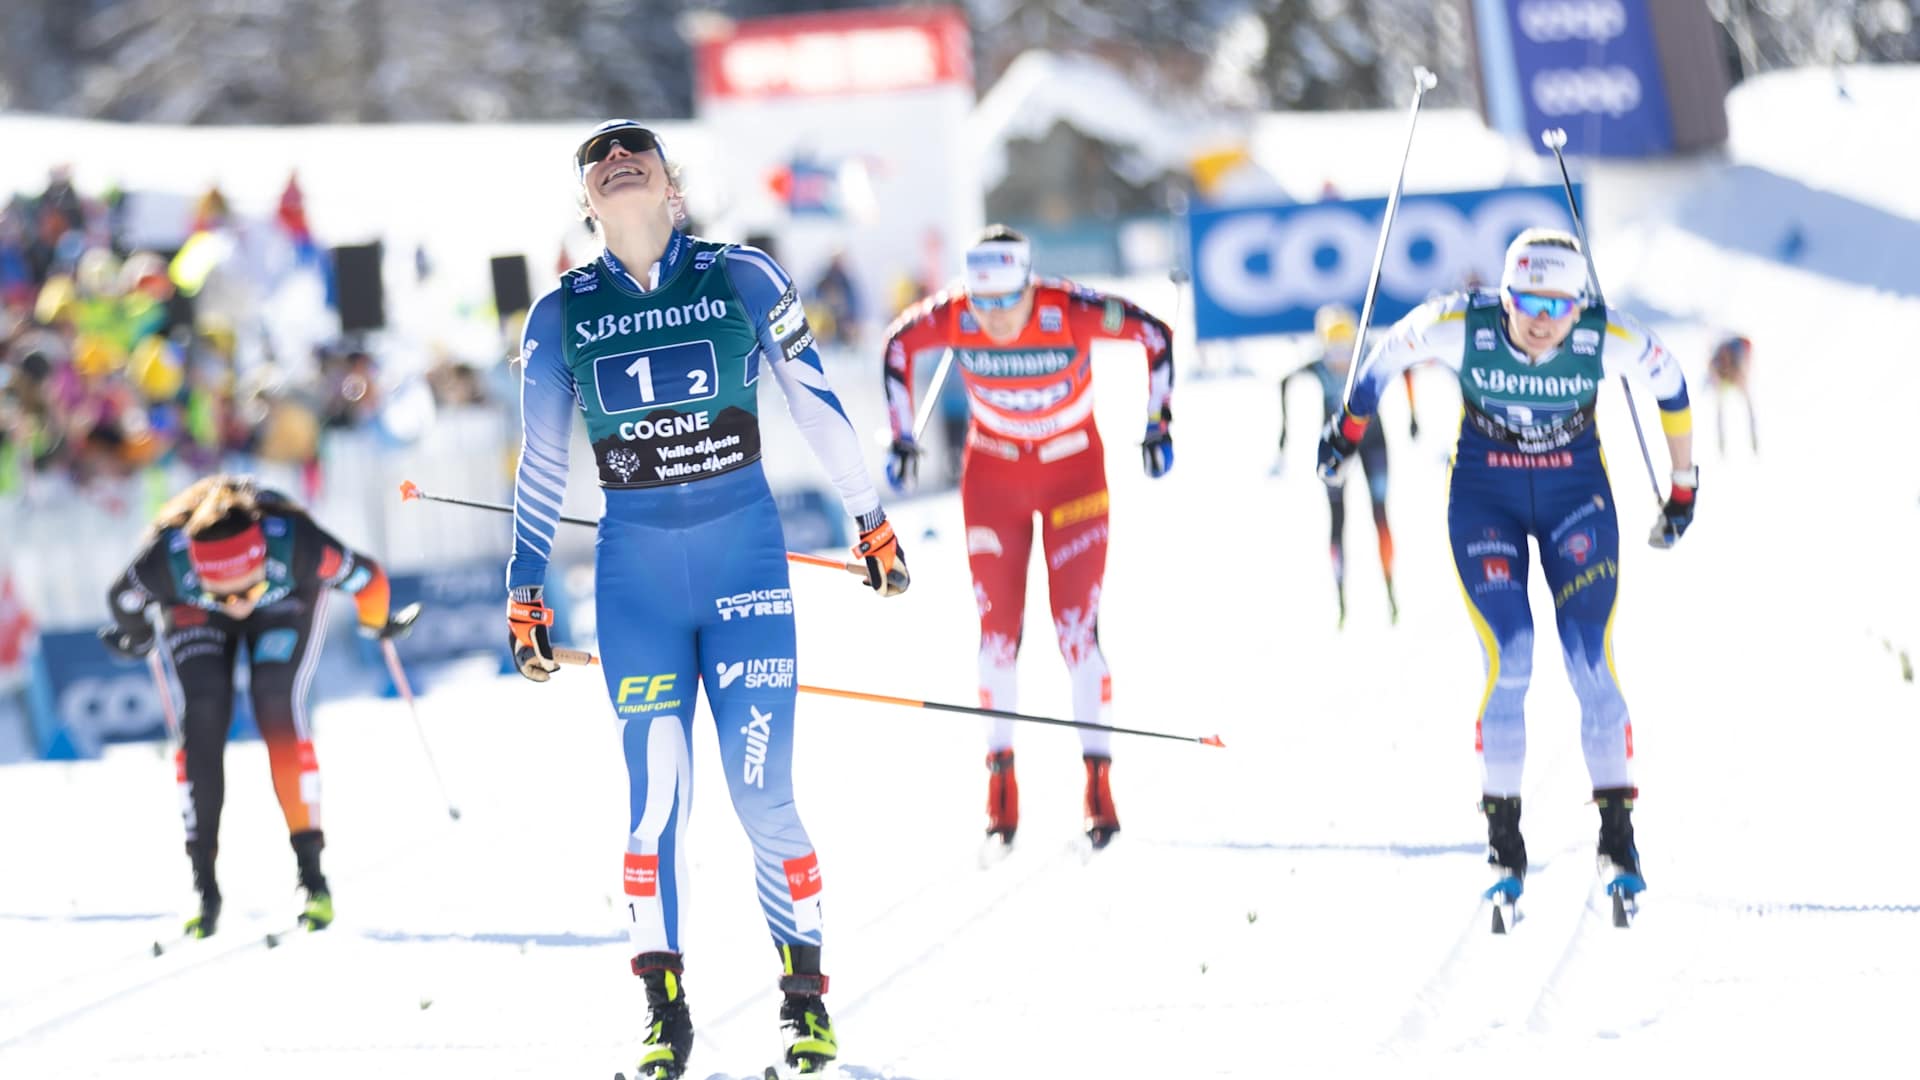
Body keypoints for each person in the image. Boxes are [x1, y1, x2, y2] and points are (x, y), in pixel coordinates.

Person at [507, 119, 909, 1080]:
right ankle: (665, 1015)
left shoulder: (742, 275)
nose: (615, 158)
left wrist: (871, 519)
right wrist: (525, 589)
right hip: (636, 579)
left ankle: (804, 1002)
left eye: (633, 150)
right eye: (597, 160)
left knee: (763, 794)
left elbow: (814, 401)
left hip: (744, 567)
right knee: (655, 810)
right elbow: (544, 464)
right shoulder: (558, 315)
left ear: (671, 185)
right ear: (588, 203)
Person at [1317, 228, 1697, 912]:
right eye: (1528, 302)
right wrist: (1347, 431)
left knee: (1591, 663)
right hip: (1485, 499)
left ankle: (1618, 838)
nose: (1542, 321)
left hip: (1575, 501)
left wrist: (1684, 485)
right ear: (1506, 293)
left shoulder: (1602, 335)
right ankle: (1505, 843)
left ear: (1580, 304)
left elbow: (1669, 380)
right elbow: (1380, 356)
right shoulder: (1463, 322)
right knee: (1511, 655)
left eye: (1558, 305)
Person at [880, 225, 1175, 852]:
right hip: (994, 480)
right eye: (981, 305)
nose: (994, 320)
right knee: (996, 637)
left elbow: (1156, 333)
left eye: (1005, 303)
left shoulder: (1067, 306)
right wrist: (901, 434)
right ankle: (1001, 782)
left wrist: (1158, 423)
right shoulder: (956, 312)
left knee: (1076, 633)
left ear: (1028, 283)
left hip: (1074, 478)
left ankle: (1098, 783)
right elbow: (898, 347)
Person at [97, 474, 416, 938]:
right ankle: (204, 888)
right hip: (192, 612)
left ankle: (312, 877)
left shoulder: (299, 547)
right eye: (219, 593)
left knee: (275, 702)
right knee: (202, 715)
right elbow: (122, 598)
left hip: (287, 601)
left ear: (262, 560)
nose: (234, 604)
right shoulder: (167, 559)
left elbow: (368, 578)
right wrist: (139, 636)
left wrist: (377, 624)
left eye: (244, 591)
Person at [1277, 302, 1416, 626]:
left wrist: (1414, 415)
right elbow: (1284, 381)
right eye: (1333, 349)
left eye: (1346, 348)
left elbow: (1407, 366)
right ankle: (1341, 601)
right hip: (1336, 449)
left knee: (1380, 515)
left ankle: (1391, 594)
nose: (1340, 358)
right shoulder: (1318, 367)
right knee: (1337, 521)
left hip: (1374, 443)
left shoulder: (1368, 357)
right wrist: (1283, 432)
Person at [1706, 333, 1757, 456]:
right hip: (1725, 372)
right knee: (1720, 408)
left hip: (1735, 367)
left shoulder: (1740, 363)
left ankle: (1754, 445)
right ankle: (1721, 448)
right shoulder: (1715, 365)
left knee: (1745, 404)